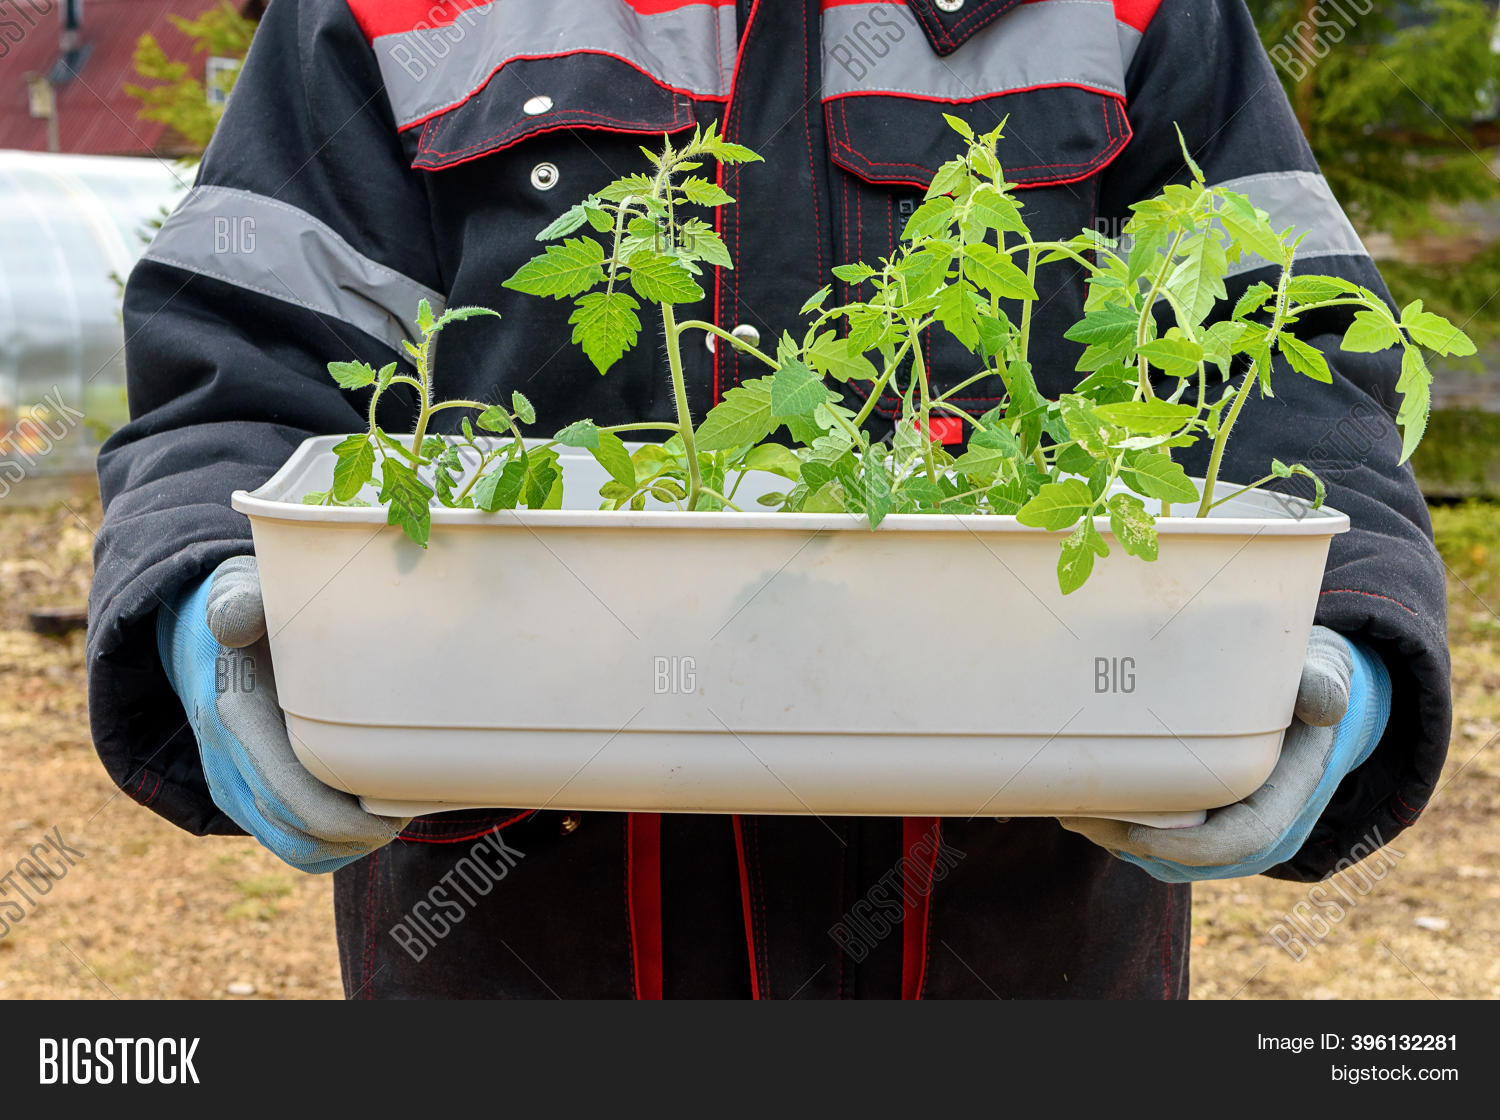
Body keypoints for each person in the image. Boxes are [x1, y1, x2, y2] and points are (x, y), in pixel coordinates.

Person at [88, 0, 1449, 998]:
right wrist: (206, 604)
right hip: (516, 947)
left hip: (1016, 950)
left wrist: (1340, 633)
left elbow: (1290, 353)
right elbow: (242, 378)